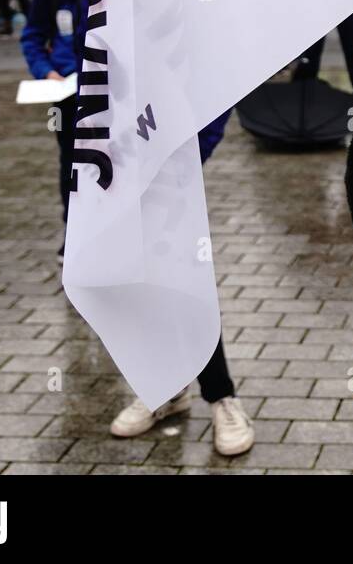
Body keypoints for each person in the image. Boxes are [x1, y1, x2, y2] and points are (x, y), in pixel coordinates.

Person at [107, 108, 255, 457]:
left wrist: (185, 156)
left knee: (185, 277)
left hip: (168, 164)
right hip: (109, 159)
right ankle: (166, 388)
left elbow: (214, 83)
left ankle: (221, 395)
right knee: (139, 281)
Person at [20, 0, 94, 252]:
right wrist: (44, 70)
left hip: (106, 95)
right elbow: (33, 36)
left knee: (106, 164)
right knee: (70, 164)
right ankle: (74, 232)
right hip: (64, 96)